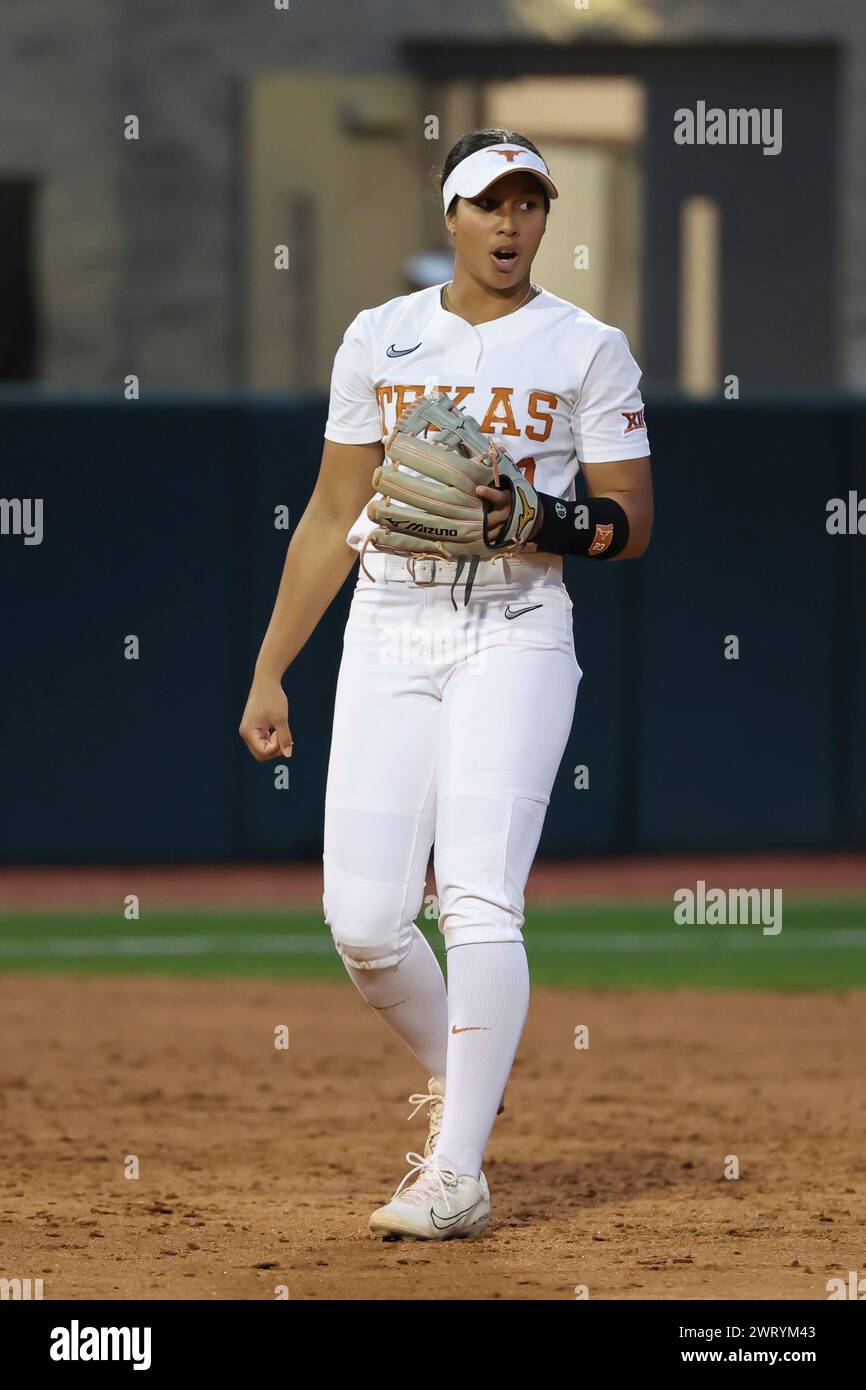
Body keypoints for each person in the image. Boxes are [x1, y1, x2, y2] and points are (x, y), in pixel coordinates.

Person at [239, 127, 653, 1241]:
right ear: (451, 213)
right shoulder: (382, 336)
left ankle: (456, 1167)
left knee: (474, 894)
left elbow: (627, 522)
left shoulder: (586, 348)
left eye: (527, 203)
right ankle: (472, 1061)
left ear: (543, 217)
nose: (510, 223)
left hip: (513, 627)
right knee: (366, 922)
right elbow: (334, 515)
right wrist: (270, 666)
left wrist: (543, 516)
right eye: (489, 203)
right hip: (388, 625)